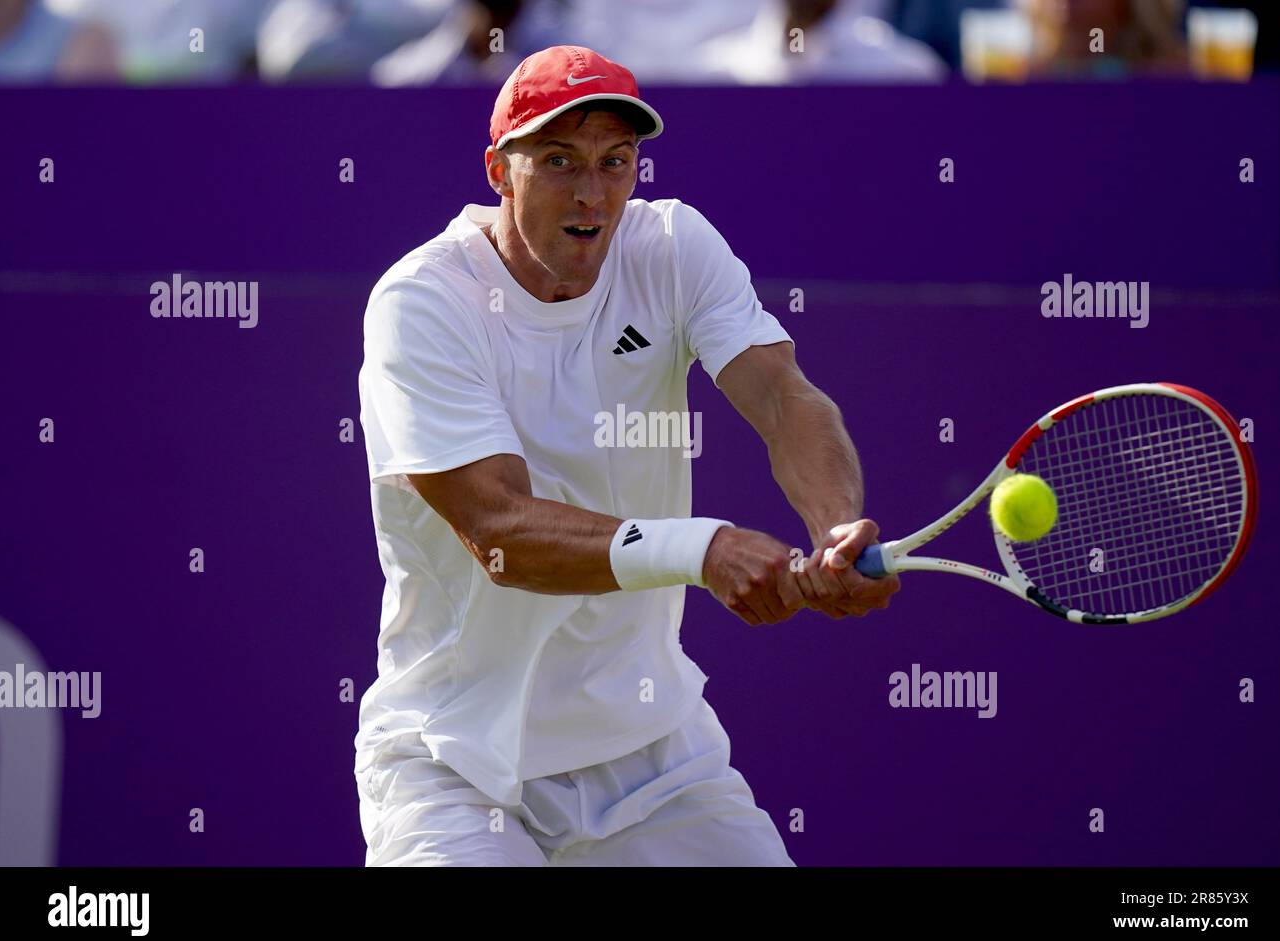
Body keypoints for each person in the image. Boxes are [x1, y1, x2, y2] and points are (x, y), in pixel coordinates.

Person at [354, 44, 900, 866]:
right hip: (457, 766)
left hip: (653, 756)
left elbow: (785, 398)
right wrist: (703, 549)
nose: (591, 192)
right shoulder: (422, 303)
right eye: (559, 161)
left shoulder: (673, 246)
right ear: (499, 171)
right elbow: (499, 529)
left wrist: (835, 529)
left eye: (616, 162)